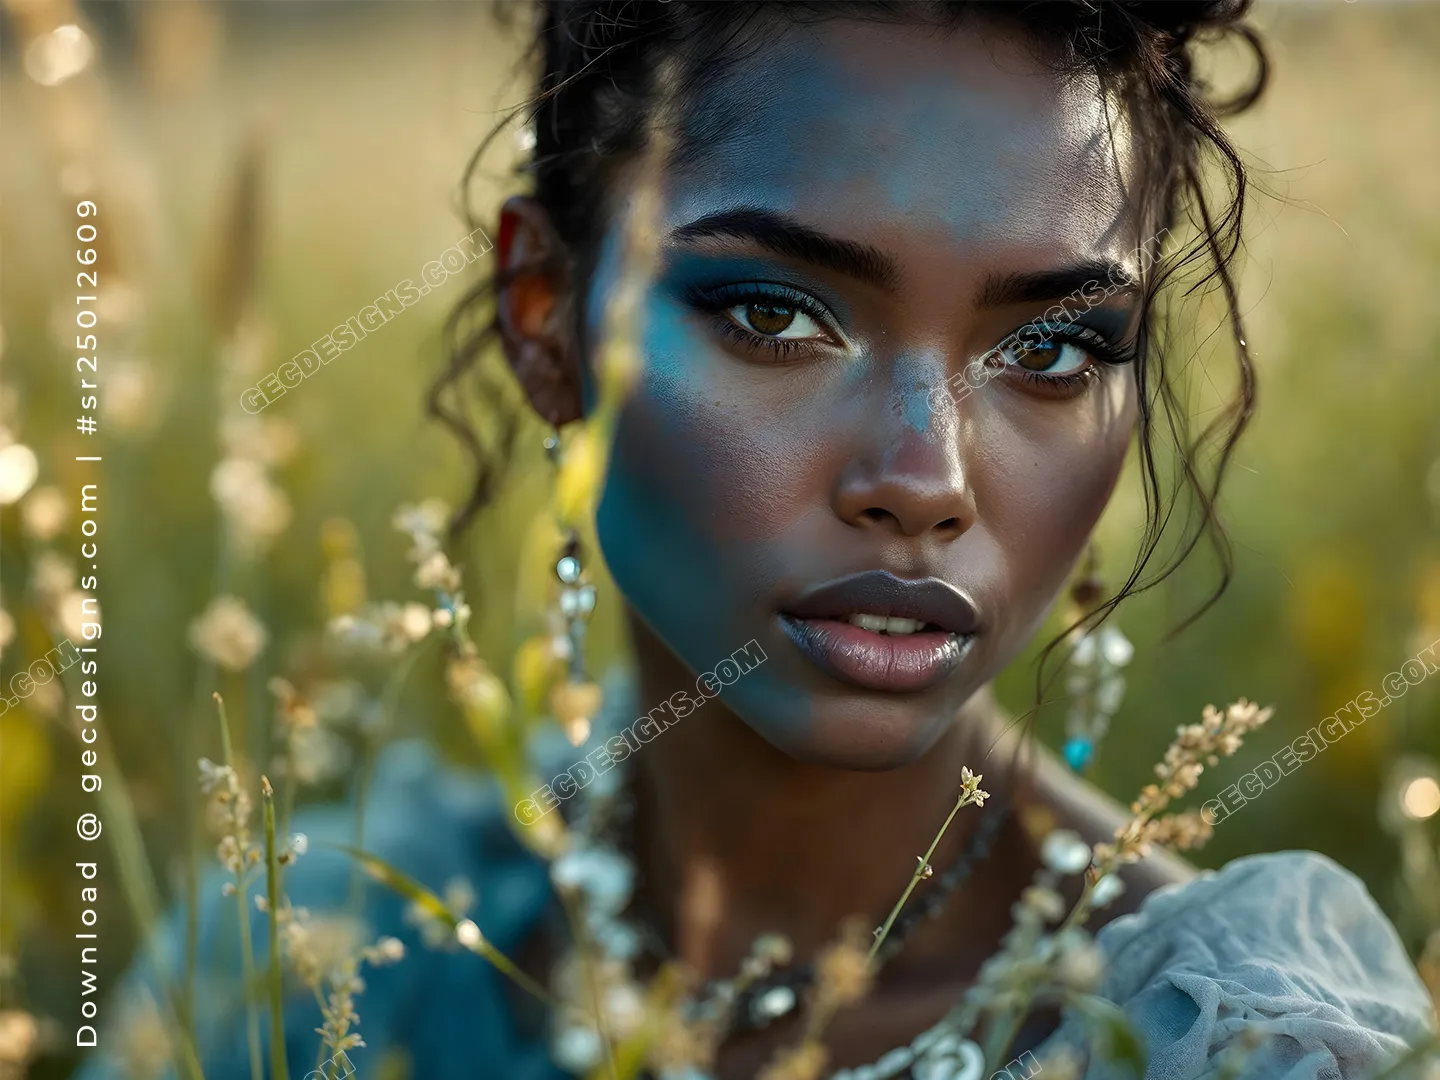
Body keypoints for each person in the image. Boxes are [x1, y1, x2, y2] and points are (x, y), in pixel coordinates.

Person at [86, 3, 1434, 1079]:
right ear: (547, 314)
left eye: (1051, 346)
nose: (926, 477)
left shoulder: (1226, 1042)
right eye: (778, 316)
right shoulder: (337, 952)